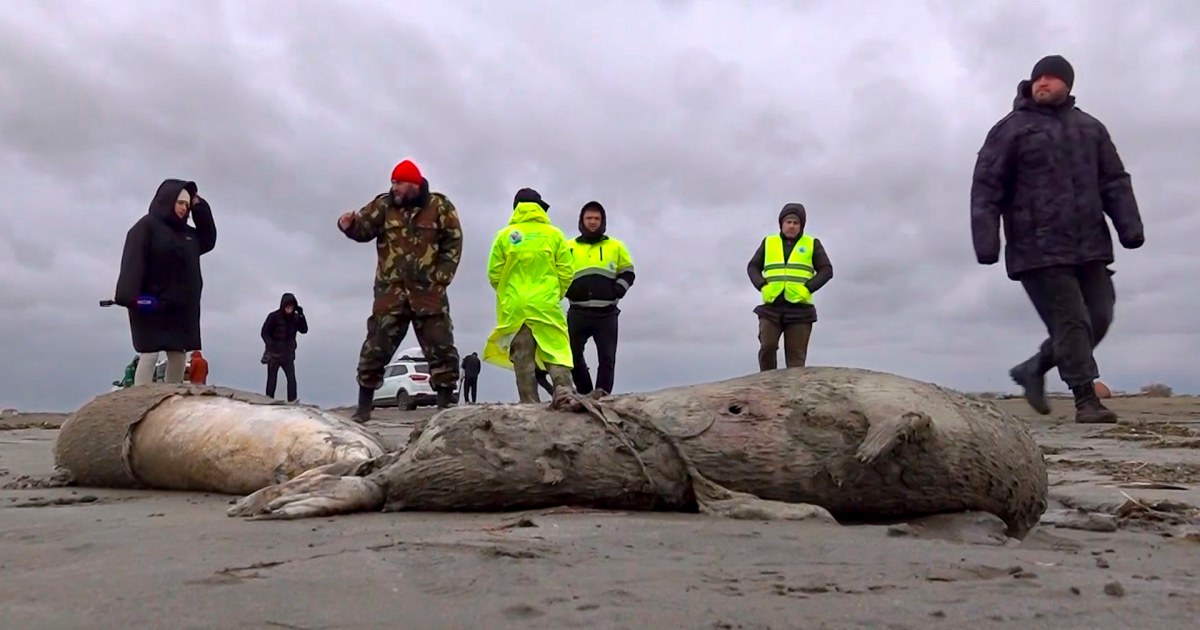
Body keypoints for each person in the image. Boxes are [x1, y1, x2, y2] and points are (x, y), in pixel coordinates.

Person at [971, 55, 1144, 424]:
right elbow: (986, 187)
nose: (1042, 83)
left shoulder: (1091, 129)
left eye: (1051, 78)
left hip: (1090, 246)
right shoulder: (1011, 130)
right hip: (1037, 248)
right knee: (1072, 321)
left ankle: (1034, 367)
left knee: (1099, 316)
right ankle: (1086, 399)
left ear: (1067, 84)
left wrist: (1129, 227)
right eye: (1038, 78)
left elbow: (1114, 180)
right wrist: (987, 241)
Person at [338, 159, 463, 422]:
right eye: (392, 182)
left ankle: (444, 405)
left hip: (428, 292)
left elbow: (453, 240)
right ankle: (363, 408)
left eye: (399, 182)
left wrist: (441, 277)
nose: (394, 187)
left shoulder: (439, 207)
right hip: (391, 292)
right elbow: (363, 229)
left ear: (414, 183)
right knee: (376, 347)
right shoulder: (383, 206)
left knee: (440, 346)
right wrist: (348, 225)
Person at [113, 179, 217, 385]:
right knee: (149, 353)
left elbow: (208, 238)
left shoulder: (189, 235)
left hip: (180, 308)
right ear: (167, 199)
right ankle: (140, 399)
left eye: (187, 205)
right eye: (180, 203)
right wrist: (131, 298)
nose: (183, 208)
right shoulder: (145, 227)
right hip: (150, 304)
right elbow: (132, 263)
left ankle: (172, 399)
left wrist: (199, 204)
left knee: (178, 355)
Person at [482, 188, 575, 403]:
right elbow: (566, 271)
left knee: (523, 357)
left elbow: (494, 273)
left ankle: (529, 403)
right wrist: (555, 294)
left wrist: (509, 294)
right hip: (546, 302)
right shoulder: (555, 235)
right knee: (556, 349)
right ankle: (565, 392)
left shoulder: (505, 235)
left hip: (516, 305)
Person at [746, 203, 833, 370]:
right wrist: (762, 285)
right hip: (772, 306)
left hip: (800, 309)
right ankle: (767, 384)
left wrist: (807, 288)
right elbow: (752, 267)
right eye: (788, 222)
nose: (792, 226)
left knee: (795, 359)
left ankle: (793, 393)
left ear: (801, 225)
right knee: (768, 346)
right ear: (781, 224)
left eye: (796, 223)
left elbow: (826, 270)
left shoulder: (812, 243)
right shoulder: (769, 242)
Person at [564, 201, 636, 395]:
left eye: (597, 218)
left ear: (603, 221)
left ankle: (602, 396)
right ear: (582, 220)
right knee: (571, 356)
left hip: (607, 313)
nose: (593, 222)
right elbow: (556, 273)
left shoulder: (616, 245)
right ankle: (587, 393)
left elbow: (628, 272)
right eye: (589, 218)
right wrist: (567, 290)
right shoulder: (568, 246)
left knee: (607, 359)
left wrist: (618, 290)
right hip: (577, 312)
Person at [260, 292, 308, 402]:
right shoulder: (273, 317)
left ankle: (293, 401)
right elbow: (264, 332)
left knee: (291, 380)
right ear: (283, 305)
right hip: (274, 354)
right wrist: (270, 345)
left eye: (291, 306)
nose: (289, 308)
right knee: (272, 380)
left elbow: (304, 330)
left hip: (288, 355)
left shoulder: (295, 318)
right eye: (287, 306)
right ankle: (268, 400)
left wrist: (301, 316)